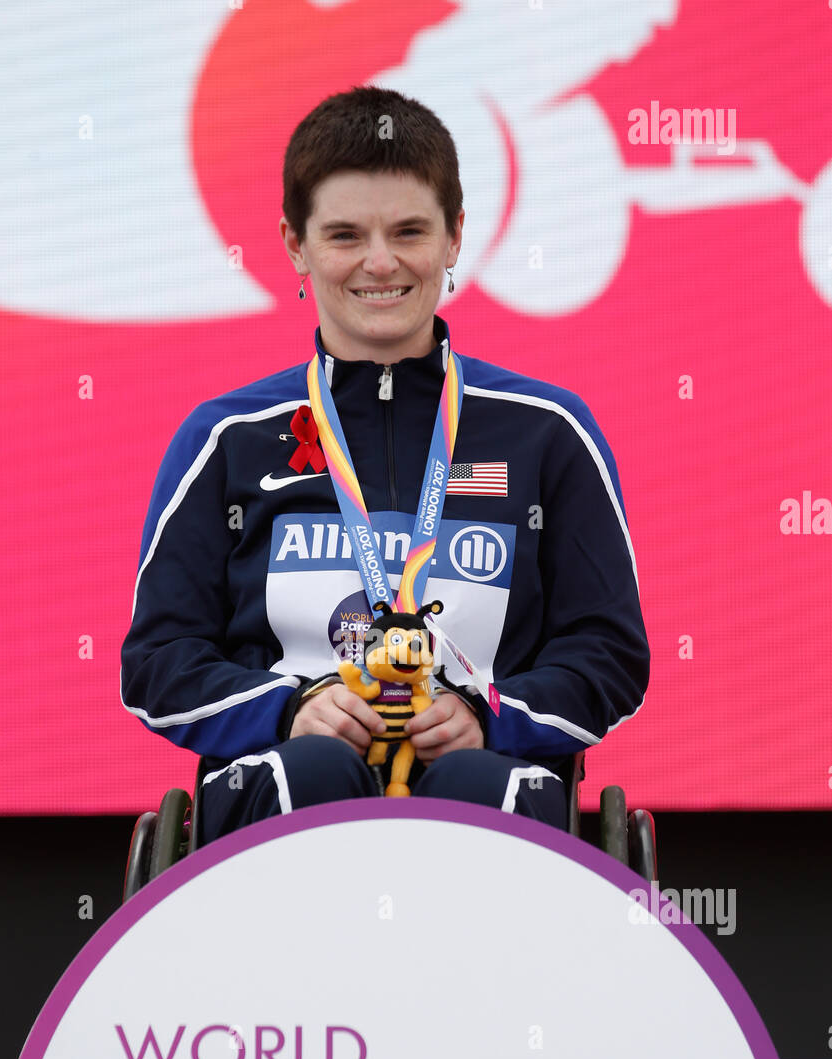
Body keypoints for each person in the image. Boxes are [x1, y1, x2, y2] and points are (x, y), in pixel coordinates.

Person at [120, 86, 649, 844]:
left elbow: (608, 654)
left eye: (408, 231)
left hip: (488, 771)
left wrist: (486, 716)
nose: (379, 262)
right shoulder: (227, 437)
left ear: (455, 235)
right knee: (309, 770)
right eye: (344, 235)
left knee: (474, 786)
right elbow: (157, 663)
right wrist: (289, 710)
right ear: (295, 244)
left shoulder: (547, 432)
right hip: (285, 773)